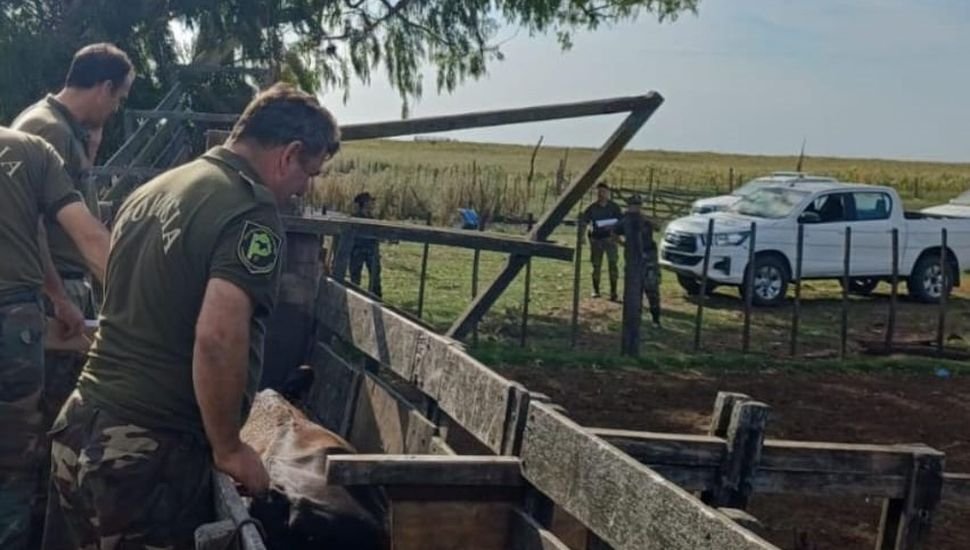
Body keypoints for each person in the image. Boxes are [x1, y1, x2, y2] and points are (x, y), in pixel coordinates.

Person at [43, 83, 341, 550]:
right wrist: (230, 448)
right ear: (290, 154)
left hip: (80, 425)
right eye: (310, 172)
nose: (305, 188)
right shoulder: (250, 211)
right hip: (147, 452)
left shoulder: (154, 189)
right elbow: (219, 337)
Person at [11, 43, 133, 538]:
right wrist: (58, 294)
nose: (117, 107)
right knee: (43, 428)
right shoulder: (43, 129)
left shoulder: (64, 130)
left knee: (57, 421)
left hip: (59, 288)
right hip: (46, 294)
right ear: (103, 88)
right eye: (120, 97)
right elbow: (28, 225)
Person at [0, 127, 110, 550]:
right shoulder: (29, 150)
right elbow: (87, 236)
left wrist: (59, 298)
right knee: (11, 467)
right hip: (13, 323)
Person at [614, 194, 662, 326]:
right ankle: (634, 319)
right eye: (633, 205)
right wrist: (623, 244)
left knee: (652, 289)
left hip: (649, 257)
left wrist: (645, 218)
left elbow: (658, 227)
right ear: (629, 206)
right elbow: (614, 232)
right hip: (633, 258)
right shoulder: (625, 220)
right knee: (634, 290)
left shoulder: (645, 219)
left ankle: (656, 318)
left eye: (638, 205)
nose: (635, 208)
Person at [581, 182, 622, 300]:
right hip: (596, 240)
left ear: (608, 193)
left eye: (603, 192)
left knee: (613, 264)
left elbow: (621, 222)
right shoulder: (591, 208)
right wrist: (583, 236)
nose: (601, 195)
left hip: (610, 240)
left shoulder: (614, 207)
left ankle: (613, 292)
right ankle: (595, 290)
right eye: (599, 192)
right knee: (596, 265)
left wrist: (618, 235)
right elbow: (584, 222)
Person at [349, 191, 383, 297]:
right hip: (357, 250)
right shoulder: (355, 218)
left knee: (375, 276)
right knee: (355, 278)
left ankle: (375, 298)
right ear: (364, 203)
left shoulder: (372, 219)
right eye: (370, 202)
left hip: (371, 251)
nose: (372, 204)